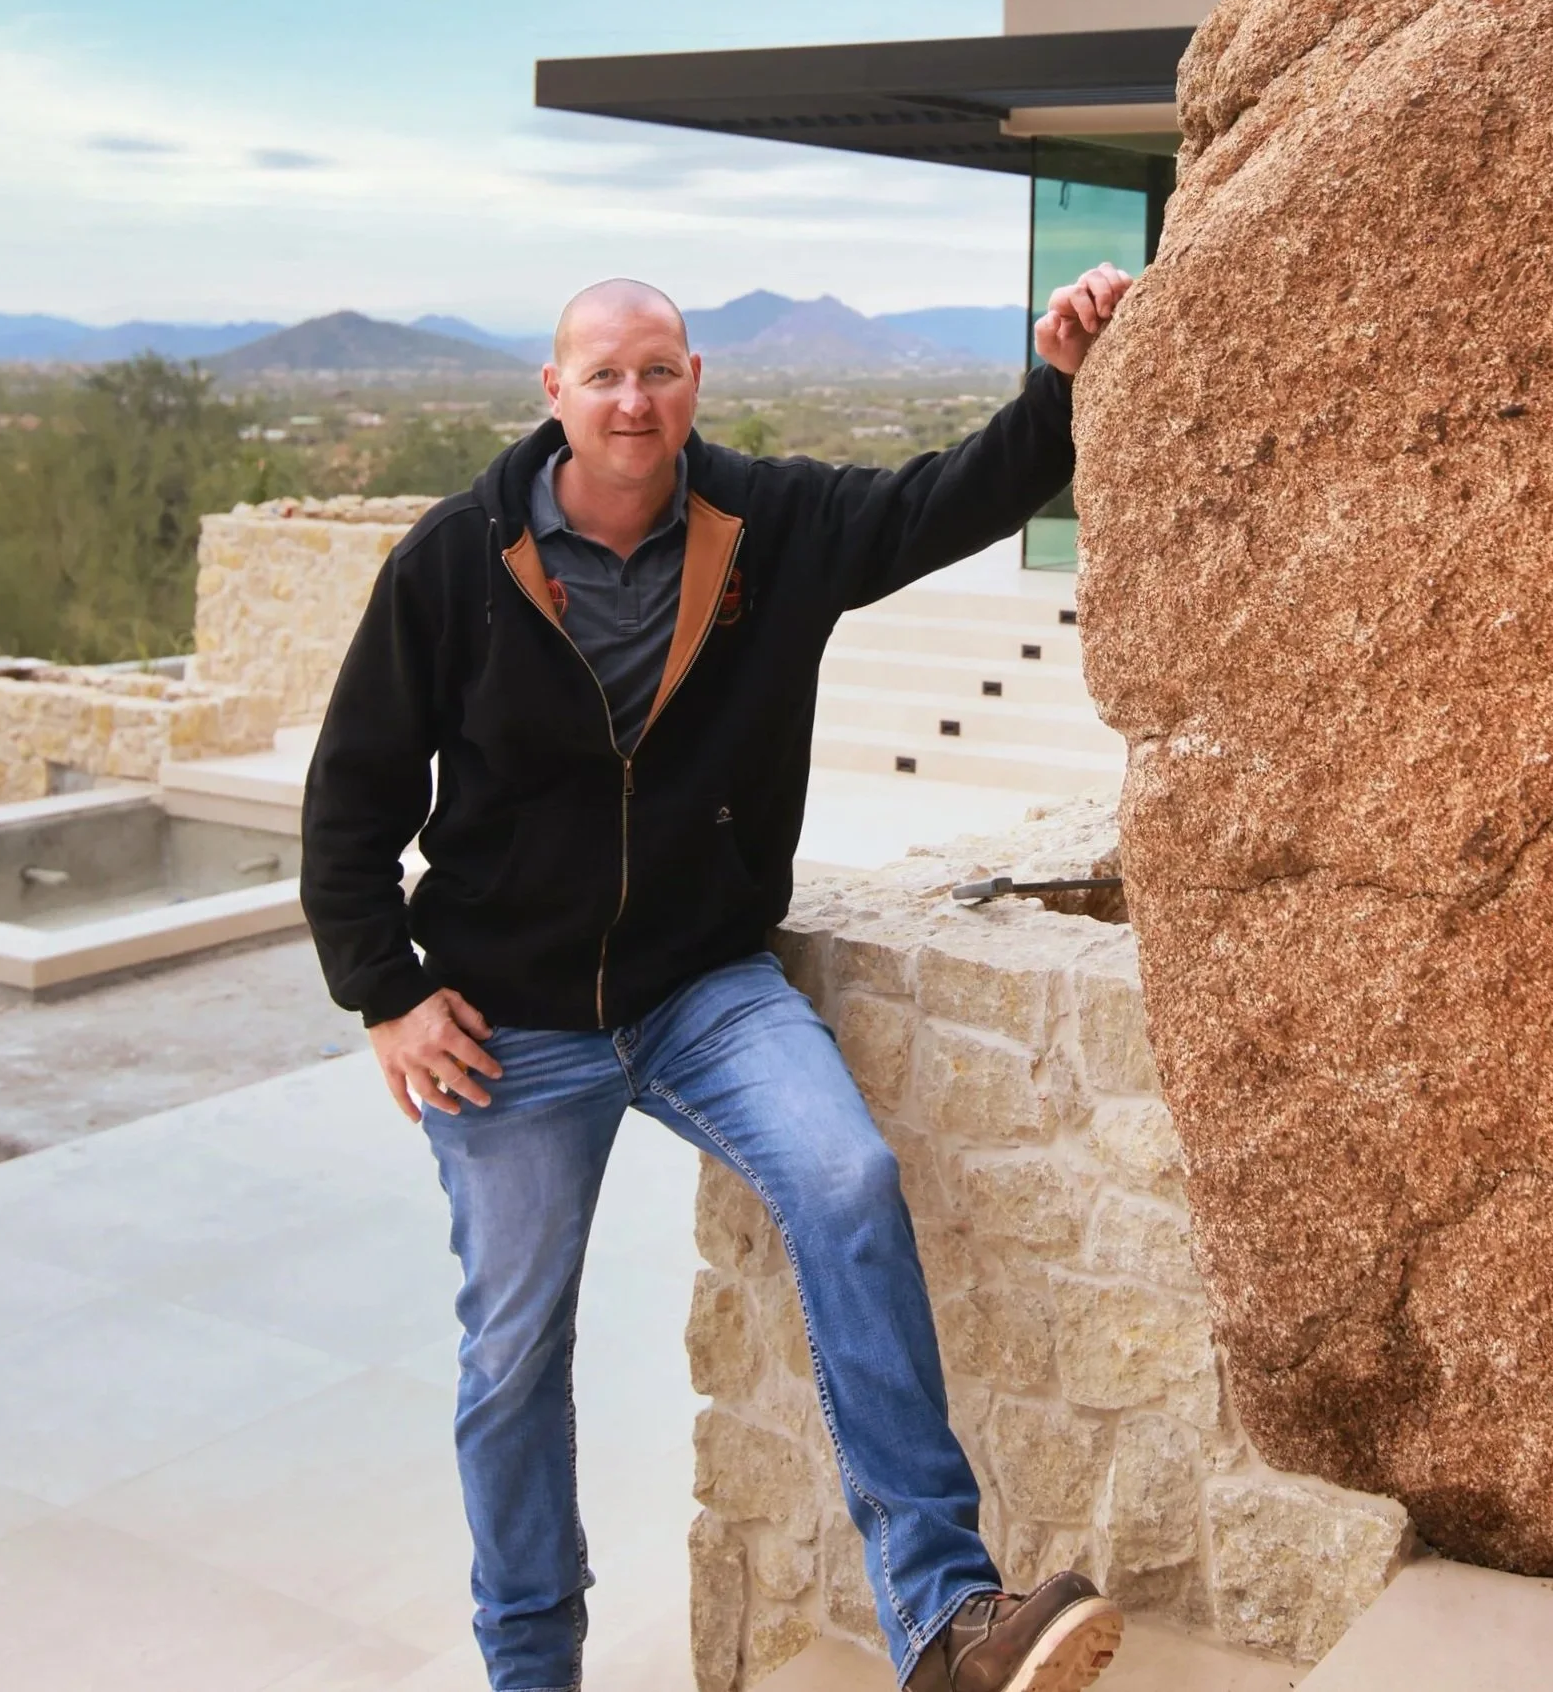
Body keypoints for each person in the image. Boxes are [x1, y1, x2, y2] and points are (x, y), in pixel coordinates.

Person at [301, 266, 1137, 1692]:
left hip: (704, 989)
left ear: (696, 382)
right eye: (604, 375)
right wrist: (386, 991)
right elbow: (350, 800)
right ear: (554, 394)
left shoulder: (775, 529)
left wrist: (1060, 379)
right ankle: (530, 1668)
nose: (634, 400)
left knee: (849, 1183)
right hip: (511, 1022)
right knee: (511, 1355)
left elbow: (957, 494)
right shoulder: (453, 563)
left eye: (660, 372)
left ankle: (943, 1617)